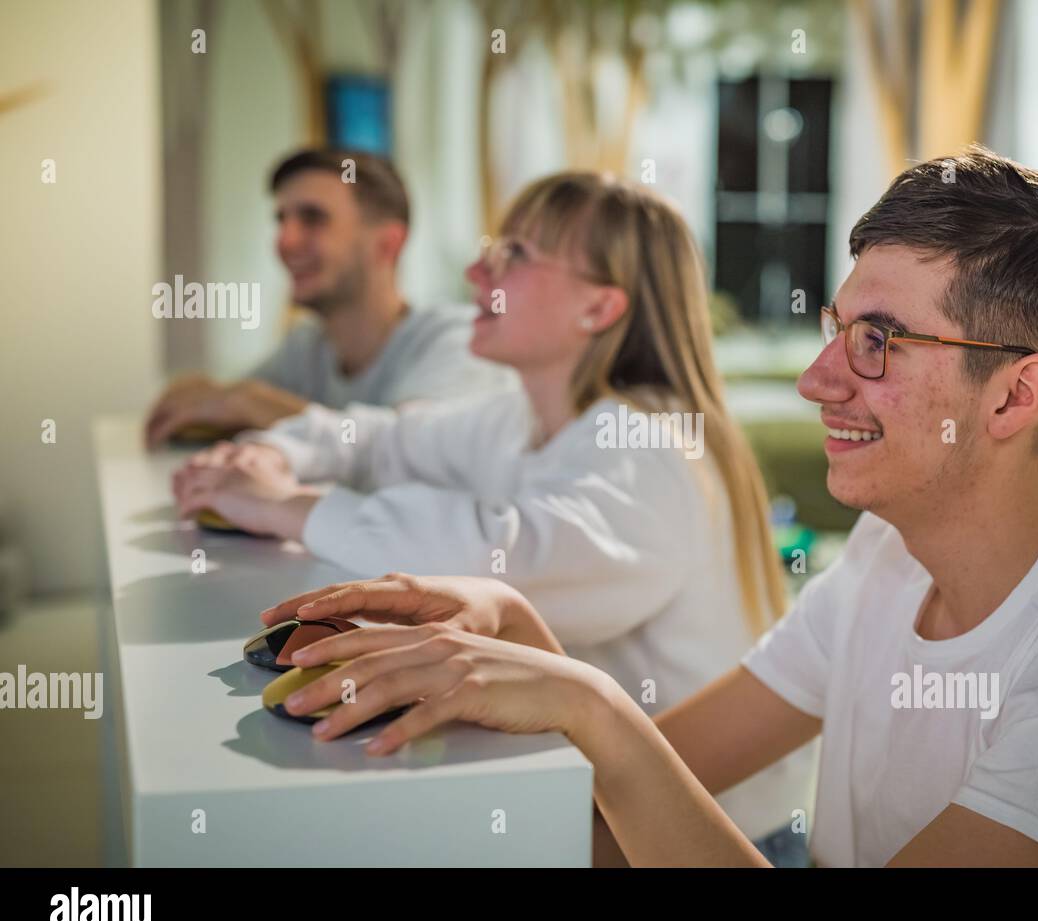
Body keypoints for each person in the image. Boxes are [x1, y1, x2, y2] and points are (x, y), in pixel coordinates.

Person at [257, 146, 1038, 867]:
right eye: (835, 331)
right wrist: (515, 628)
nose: (819, 380)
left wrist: (590, 704)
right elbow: (650, 794)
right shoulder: (882, 558)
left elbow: (630, 761)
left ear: (1014, 397)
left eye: (877, 342)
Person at [173, 171, 819, 864]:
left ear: (598, 306)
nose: (477, 270)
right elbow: (378, 439)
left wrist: (288, 506)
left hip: (695, 839)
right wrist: (259, 458)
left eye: (514, 255)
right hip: (595, 808)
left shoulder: (651, 442)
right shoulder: (518, 414)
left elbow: (500, 554)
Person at [144, 149, 507, 447]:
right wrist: (211, 397)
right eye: (281, 220)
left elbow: (407, 453)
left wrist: (256, 404)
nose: (284, 242)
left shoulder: (455, 341)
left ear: (387, 244)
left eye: (313, 219)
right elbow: (229, 404)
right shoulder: (308, 347)